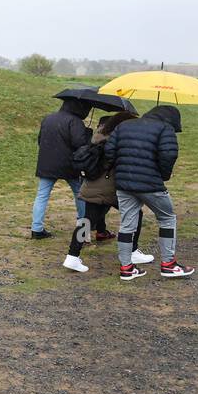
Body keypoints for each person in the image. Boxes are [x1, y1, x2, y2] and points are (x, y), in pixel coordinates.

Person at [104, 105, 194, 280]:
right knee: (167, 218)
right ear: (170, 120)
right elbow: (168, 155)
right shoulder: (165, 128)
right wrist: (163, 175)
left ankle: (126, 268)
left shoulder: (125, 125)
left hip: (123, 183)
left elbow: (109, 150)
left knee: (127, 224)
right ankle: (169, 265)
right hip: (150, 185)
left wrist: (118, 169)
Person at [62, 111, 155, 273]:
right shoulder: (118, 139)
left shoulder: (100, 134)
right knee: (135, 214)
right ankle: (132, 251)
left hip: (92, 185)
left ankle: (72, 256)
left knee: (86, 221)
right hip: (109, 187)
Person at [30, 96, 90, 239]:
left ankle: (36, 229)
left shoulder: (48, 118)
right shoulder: (75, 121)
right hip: (69, 165)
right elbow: (80, 144)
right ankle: (83, 231)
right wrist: (87, 134)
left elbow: (40, 140)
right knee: (81, 195)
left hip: (47, 163)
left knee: (42, 196)